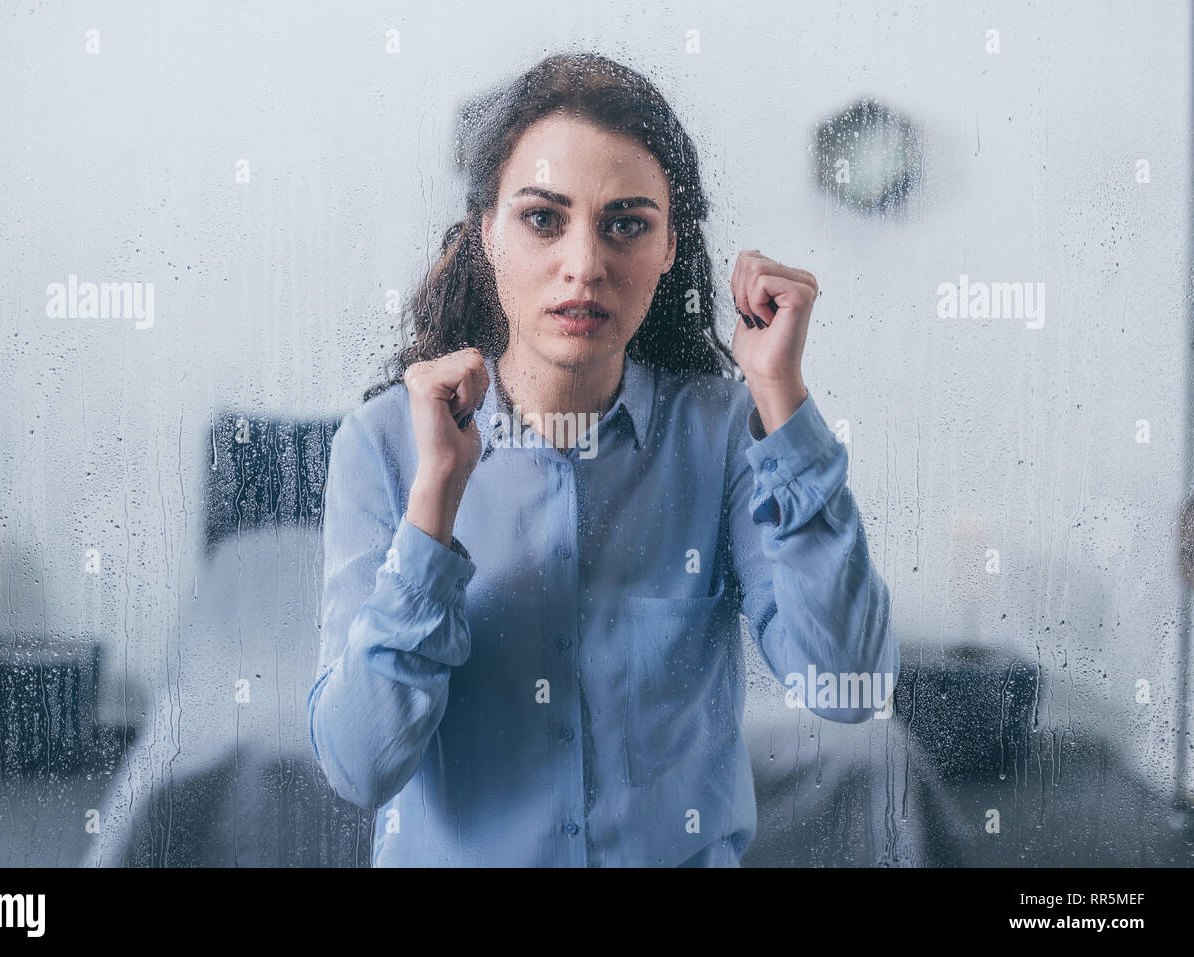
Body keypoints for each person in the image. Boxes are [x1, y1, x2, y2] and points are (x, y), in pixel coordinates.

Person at [306, 51, 900, 867]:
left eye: (625, 223)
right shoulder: (382, 446)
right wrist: (435, 503)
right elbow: (360, 764)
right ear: (487, 235)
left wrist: (782, 399)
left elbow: (850, 688)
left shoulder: (729, 435)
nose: (584, 265)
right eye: (544, 219)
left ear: (666, 249)